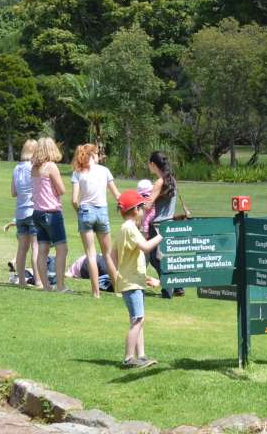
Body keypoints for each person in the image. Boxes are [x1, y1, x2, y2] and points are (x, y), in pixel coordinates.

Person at [107, 188, 162, 368]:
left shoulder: (123, 229)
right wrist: (161, 236)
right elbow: (146, 247)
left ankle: (142, 355)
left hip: (131, 281)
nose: (142, 212)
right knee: (137, 319)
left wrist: (143, 277)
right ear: (135, 210)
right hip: (131, 284)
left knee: (139, 318)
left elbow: (113, 256)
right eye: (141, 208)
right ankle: (129, 358)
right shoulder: (130, 228)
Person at [71, 143, 121, 298]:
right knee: (107, 254)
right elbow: (117, 196)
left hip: (85, 211)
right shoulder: (104, 171)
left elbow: (74, 200)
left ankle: (96, 293)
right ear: (93, 154)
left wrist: (80, 211)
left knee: (91, 254)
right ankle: (118, 290)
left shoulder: (78, 172)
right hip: (102, 212)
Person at [31, 137, 70, 293]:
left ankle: (46, 286)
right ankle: (60, 286)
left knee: (42, 249)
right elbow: (61, 189)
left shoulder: (33, 168)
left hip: (37, 212)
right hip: (51, 212)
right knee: (62, 249)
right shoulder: (51, 167)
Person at [146, 150, 181, 298]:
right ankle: (178, 286)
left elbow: (148, 205)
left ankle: (168, 290)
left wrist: (137, 202)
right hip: (170, 223)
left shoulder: (159, 182)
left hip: (158, 225)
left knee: (156, 258)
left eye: (149, 164)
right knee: (166, 256)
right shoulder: (172, 180)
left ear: (153, 165)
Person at [11, 139, 39, 287]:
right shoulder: (33, 167)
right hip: (33, 210)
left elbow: (13, 192)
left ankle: (21, 280)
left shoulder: (16, 168)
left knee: (22, 248)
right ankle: (39, 280)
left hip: (20, 212)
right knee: (36, 247)